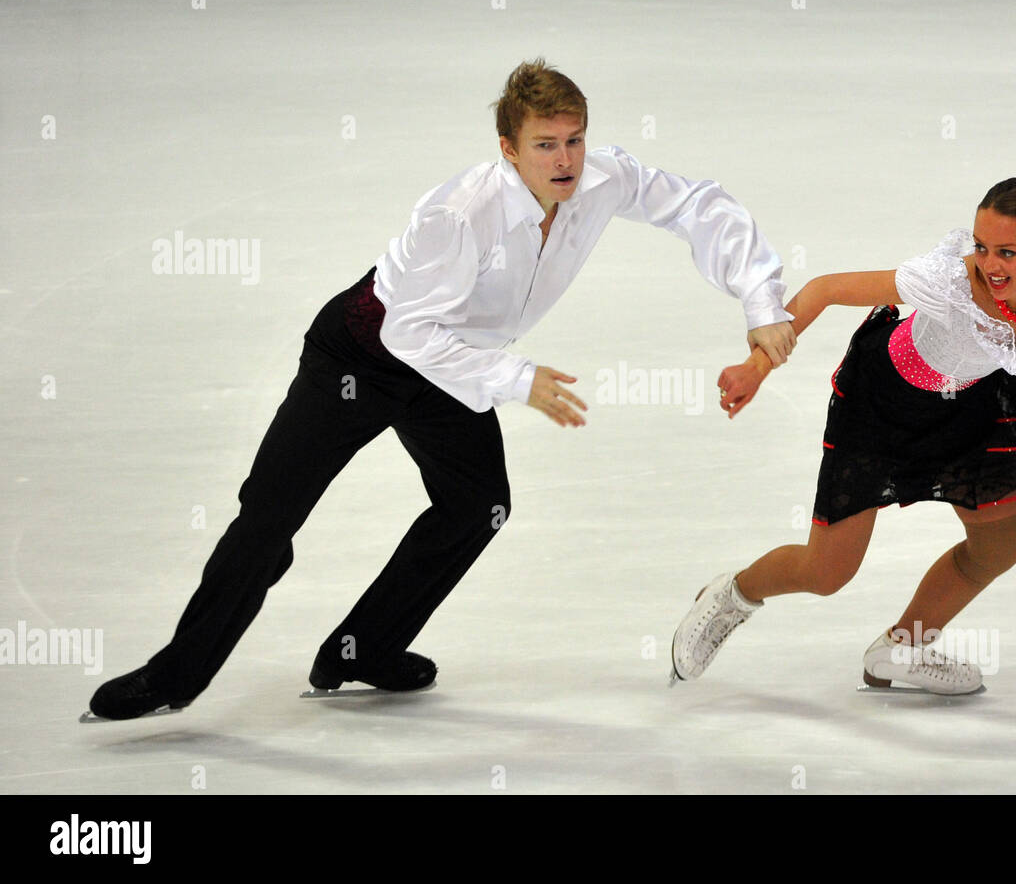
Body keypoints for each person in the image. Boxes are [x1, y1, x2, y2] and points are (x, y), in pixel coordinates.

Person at [87, 58, 796, 720]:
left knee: (477, 506)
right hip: (362, 359)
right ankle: (173, 677)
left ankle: (363, 648)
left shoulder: (600, 181)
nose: (566, 160)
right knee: (270, 518)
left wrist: (760, 304)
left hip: (452, 364)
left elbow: (697, 205)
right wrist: (518, 380)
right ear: (508, 147)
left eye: (575, 141)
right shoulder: (460, 213)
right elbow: (408, 334)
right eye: (546, 144)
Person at [669, 178, 1016, 694]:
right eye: (982, 246)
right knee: (827, 572)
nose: (989, 264)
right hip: (882, 407)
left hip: (969, 410)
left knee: (998, 547)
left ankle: (902, 648)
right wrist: (756, 367)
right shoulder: (951, 281)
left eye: (1008, 252)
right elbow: (825, 289)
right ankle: (732, 595)